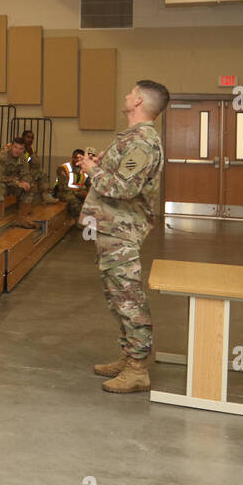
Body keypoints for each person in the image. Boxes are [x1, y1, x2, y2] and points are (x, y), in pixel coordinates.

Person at [79, 80, 169, 395]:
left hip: (122, 230)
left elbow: (123, 188)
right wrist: (101, 164)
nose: (126, 96)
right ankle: (128, 356)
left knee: (128, 297)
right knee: (117, 296)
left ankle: (138, 369)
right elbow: (121, 177)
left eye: (131, 93)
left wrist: (93, 170)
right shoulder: (132, 139)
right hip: (111, 227)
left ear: (140, 101)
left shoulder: (142, 143)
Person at [0, 135, 37, 225]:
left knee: (30, 187)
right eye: (15, 147)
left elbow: (25, 174)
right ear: (11, 146)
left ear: (24, 149)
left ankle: (22, 218)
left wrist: (26, 182)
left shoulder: (22, 158)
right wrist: (18, 183)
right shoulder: (0, 156)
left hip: (9, 182)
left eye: (20, 148)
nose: (17, 150)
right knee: (0, 186)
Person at [53, 148, 90, 218]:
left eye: (80, 159)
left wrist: (88, 194)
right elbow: (63, 188)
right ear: (72, 157)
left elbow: (90, 185)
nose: (78, 160)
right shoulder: (63, 168)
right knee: (75, 202)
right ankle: (78, 223)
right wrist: (79, 194)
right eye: (76, 158)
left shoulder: (84, 169)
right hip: (62, 192)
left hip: (77, 192)